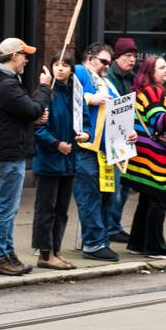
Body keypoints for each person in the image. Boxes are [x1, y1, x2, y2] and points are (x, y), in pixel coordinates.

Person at [0, 37, 51, 276]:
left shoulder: (6, 82)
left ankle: (6, 253)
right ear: (14, 57)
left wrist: (31, 115)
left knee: (9, 206)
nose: (27, 59)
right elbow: (31, 109)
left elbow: (22, 113)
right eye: (24, 55)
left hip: (9, 151)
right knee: (6, 207)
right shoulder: (6, 85)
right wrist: (44, 88)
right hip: (9, 153)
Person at [124, 54, 166, 258]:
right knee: (159, 201)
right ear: (150, 72)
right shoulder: (153, 92)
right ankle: (154, 247)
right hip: (155, 159)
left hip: (143, 157)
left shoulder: (144, 92)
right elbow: (160, 122)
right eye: (161, 67)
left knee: (146, 201)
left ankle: (137, 243)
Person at [32, 53, 88, 271]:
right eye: (56, 64)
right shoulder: (46, 94)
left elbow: (84, 121)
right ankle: (45, 253)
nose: (61, 69)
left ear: (72, 70)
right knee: (46, 208)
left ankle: (56, 250)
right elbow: (38, 128)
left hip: (69, 160)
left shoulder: (75, 94)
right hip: (49, 160)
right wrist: (56, 144)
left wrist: (86, 134)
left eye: (65, 65)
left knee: (62, 209)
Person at [72, 42, 123, 261]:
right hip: (87, 148)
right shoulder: (80, 72)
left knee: (105, 197)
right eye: (103, 61)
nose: (106, 66)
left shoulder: (107, 82)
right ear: (90, 57)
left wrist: (126, 133)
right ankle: (93, 243)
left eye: (109, 63)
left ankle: (101, 240)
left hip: (106, 150)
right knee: (90, 196)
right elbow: (67, 95)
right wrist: (89, 99)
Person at [105, 37, 139, 244]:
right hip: (113, 138)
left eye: (134, 56)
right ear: (117, 57)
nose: (132, 60)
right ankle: (111, 227)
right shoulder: (112, 77)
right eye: (128, 56)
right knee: (116, 185)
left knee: (124, 185)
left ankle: (114, 225)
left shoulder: (129, 77)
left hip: (125, 137)